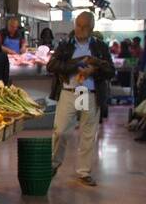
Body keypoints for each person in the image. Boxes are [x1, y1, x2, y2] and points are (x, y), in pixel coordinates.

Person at [47, 11, 115, 186]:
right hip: (70, 92)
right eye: (78, 25)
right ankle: (53, 165)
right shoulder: (65, 45)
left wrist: (94, 68)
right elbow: (52, 65)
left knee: (87, 133)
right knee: (60, 131)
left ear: (91, 28)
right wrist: (76, 64)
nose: (79, 29)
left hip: (88, 93)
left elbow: (110, 71)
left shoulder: (100, 47)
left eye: (84, 26)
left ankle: (84, 171)